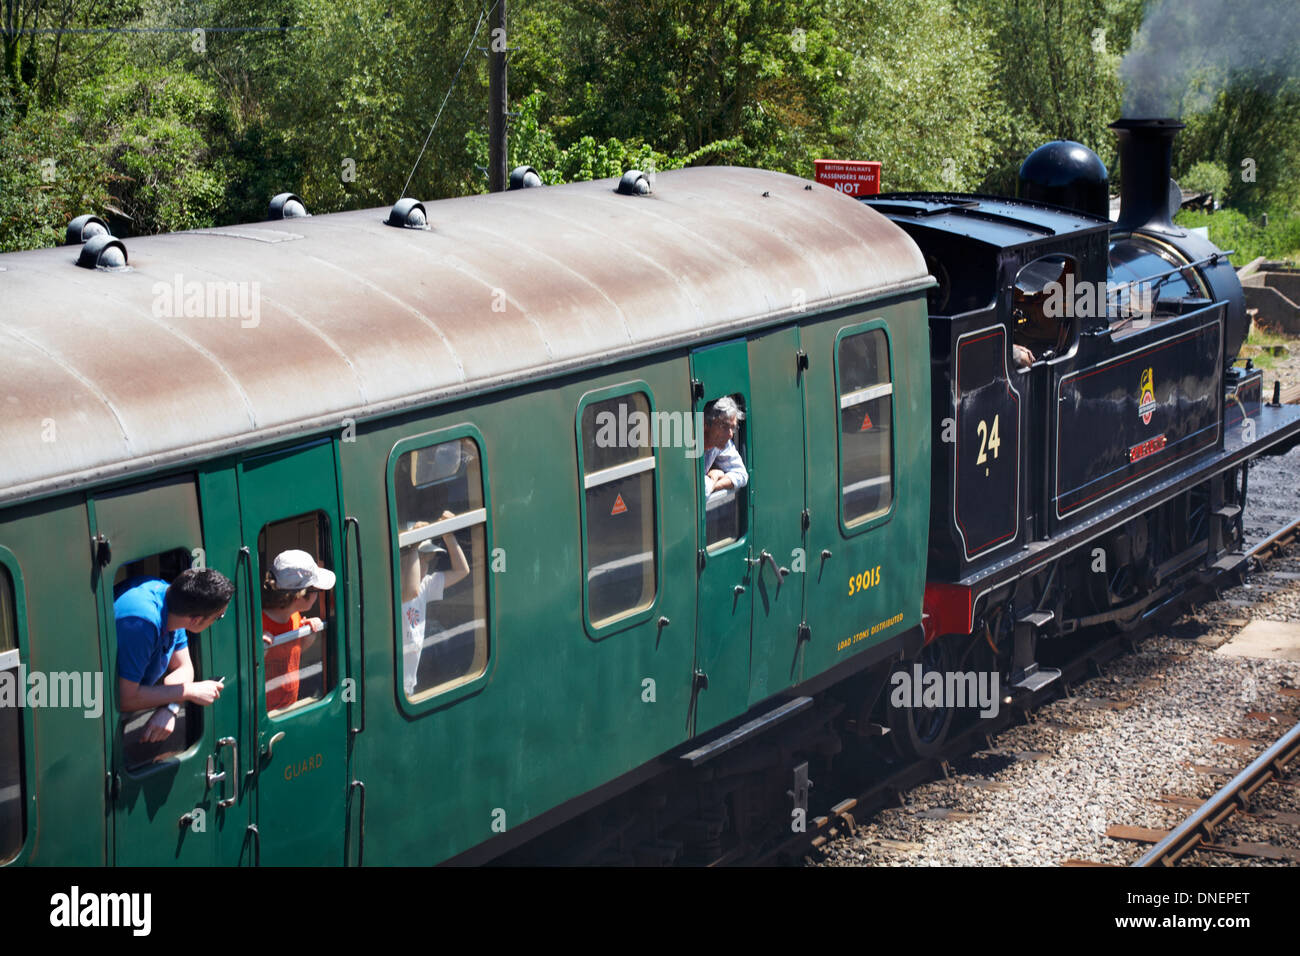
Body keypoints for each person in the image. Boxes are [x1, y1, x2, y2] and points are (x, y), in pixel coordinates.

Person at [114, 568, 234, 743]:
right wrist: (191, 691)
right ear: (196, 620)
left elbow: (183, 667)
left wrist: (170, 708)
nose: (218, 620)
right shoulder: (141, 622)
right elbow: (124, 697)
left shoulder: (174, 604)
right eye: (218, 616)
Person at [400, 510, 470, 696]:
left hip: (408, 682)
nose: (426, 566)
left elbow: (462, 570)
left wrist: (449, 536)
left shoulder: (426, 584)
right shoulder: (396, 589)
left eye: (429, 560)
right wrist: (412, 546)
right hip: (394, 685)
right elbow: (411, 590)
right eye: (421, 559)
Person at [261, 550, 335, 712]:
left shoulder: (295, 616)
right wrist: (259, 648)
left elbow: (295, 652)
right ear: (300, 597)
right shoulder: (260, 624)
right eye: (317, 591)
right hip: (266, 712)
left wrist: (309, 632)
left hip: (288, 703)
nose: (318, 596)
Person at [702, 396, 748, 495]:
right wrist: (715, 475)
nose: (730, 434)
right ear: (705, 424)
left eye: (733, 427)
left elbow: (741, 474)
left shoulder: (720, 442)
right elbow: (700, 490)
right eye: (724, 427)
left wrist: (715, 483)